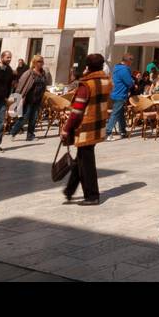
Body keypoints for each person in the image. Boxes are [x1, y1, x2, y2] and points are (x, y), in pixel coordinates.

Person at [61, 53, 113, 205]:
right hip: (98, 124)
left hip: (86, 126)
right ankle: (70, 190)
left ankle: (92, 196)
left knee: (87, 162)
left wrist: (66, 128)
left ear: (88, 67)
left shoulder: (86, 85)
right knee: (82, 157)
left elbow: (77, 111)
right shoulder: (106, 81)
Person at [10, 55, 49, 140]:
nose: (41, 63)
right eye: (39, 61)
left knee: (34, 118)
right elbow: (21, 85)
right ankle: (13, 132)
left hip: (37, 99)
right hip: (28, 99)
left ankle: (30, 136)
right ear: (34, 62)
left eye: (42, 61)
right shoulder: (29, 73)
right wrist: (19, 97)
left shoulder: (43, 73)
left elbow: (44, 85)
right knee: (24, 117)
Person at [105, 54, 135, 139]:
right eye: (130, 62)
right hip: (120, 94)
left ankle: (123, 131)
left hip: (114, 93)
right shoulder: (124, 69)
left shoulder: (116, 68)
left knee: (120, 114)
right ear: (127, 61)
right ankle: (108, 133)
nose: (131, 64)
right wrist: (133, 82)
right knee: (115, 114)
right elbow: (129, 82)